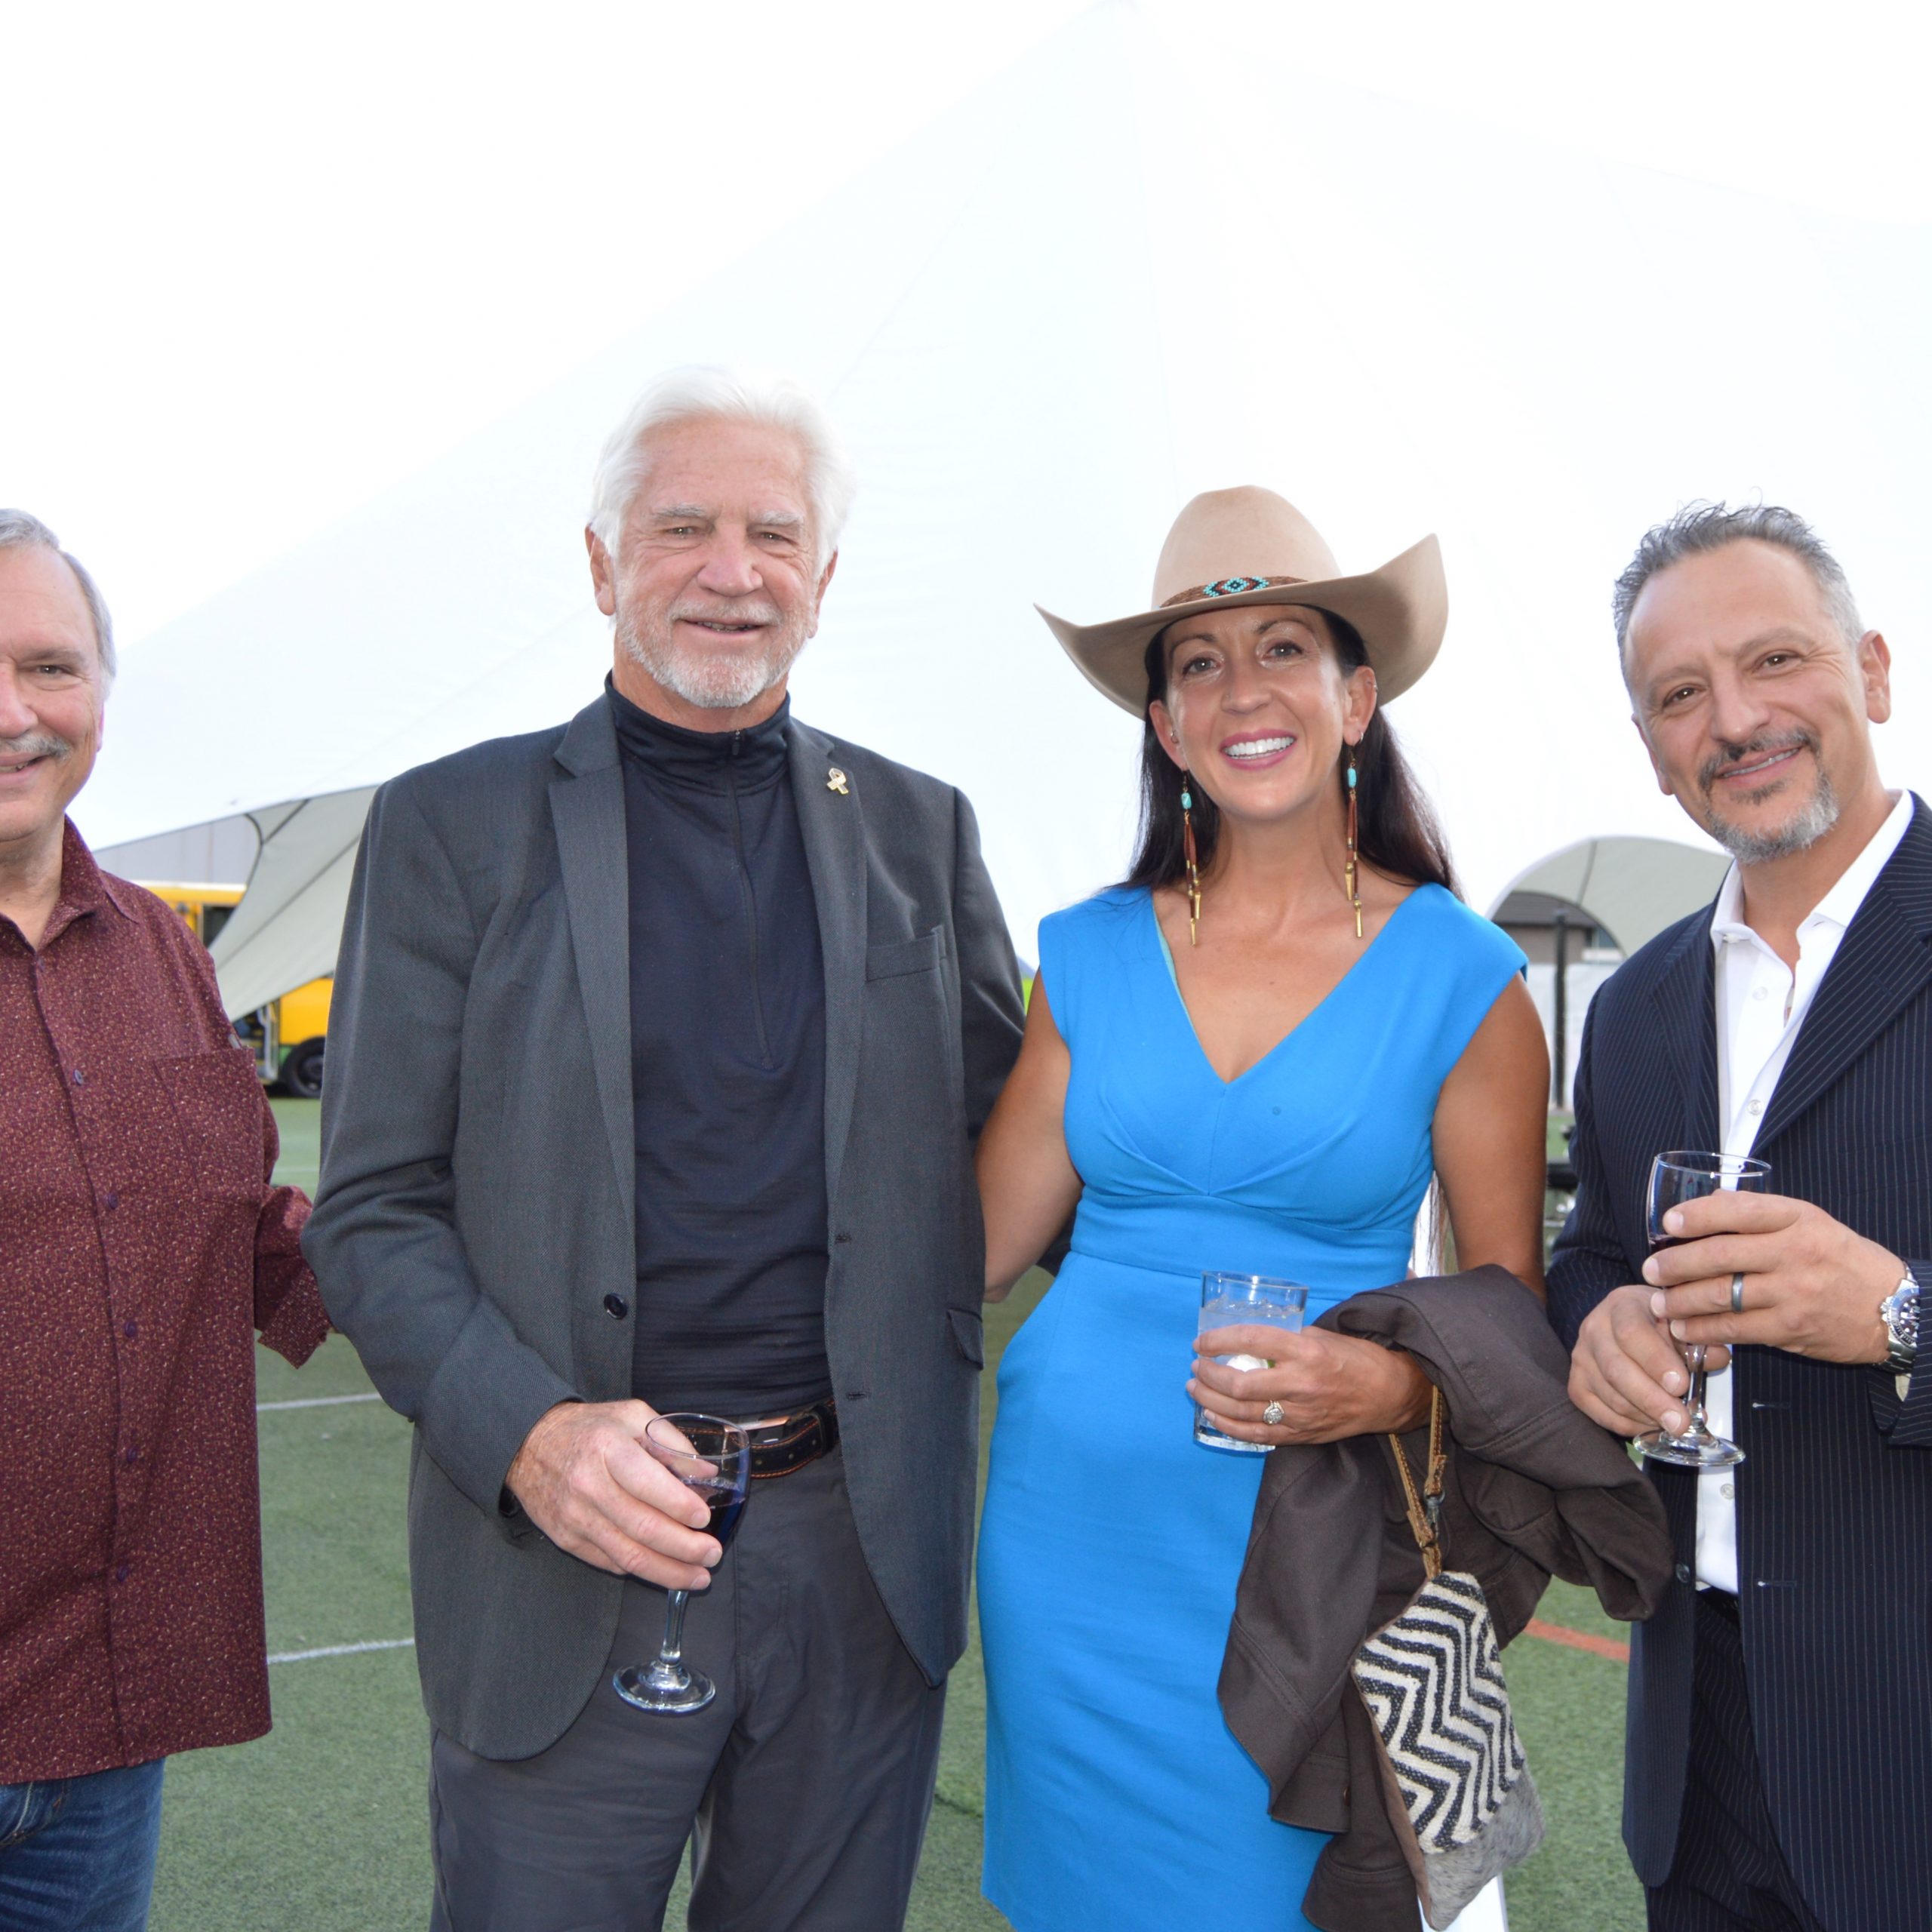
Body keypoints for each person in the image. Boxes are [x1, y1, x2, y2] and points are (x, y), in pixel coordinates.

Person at [303, 367, 1026, 1932]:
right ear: (600, 562)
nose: (732, 569)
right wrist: (530, 1436)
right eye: (683, 526)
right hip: (571, 1543)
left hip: (856, 1556)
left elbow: (1022, 1141)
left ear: (823, 579)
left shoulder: (923, 831)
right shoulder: (451, 824)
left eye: (776, 534)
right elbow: (369, 1210)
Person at [974, 488, 1550, 1930]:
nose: (1243, 689)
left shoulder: (1466, 977)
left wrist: (1396, 1383)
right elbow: (967, 1251)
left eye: (1284, 647)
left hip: (1315, 1551)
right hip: (1070, 1546)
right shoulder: (1084, 957)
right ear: (1167, 728)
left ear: (1356, 699)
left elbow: (1509, 1317)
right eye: (1201, 662)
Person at [1549, 503, 1930, 1932]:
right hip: (1700, 1745)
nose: (1736, 720)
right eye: (1681, 693)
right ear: (1654, 750)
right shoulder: (1638, 1006)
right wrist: (1597, 1324)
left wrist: (1900, 1317)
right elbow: (1596, 1251)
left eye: (1776, 660)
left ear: (1872, 672)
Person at [0, 511, 328, 1931]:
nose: (13, 713)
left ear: (102, 692)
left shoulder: (161, 953)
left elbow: (250, 1240)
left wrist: (455, 1218)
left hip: (100, 1718)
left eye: (49, 666)